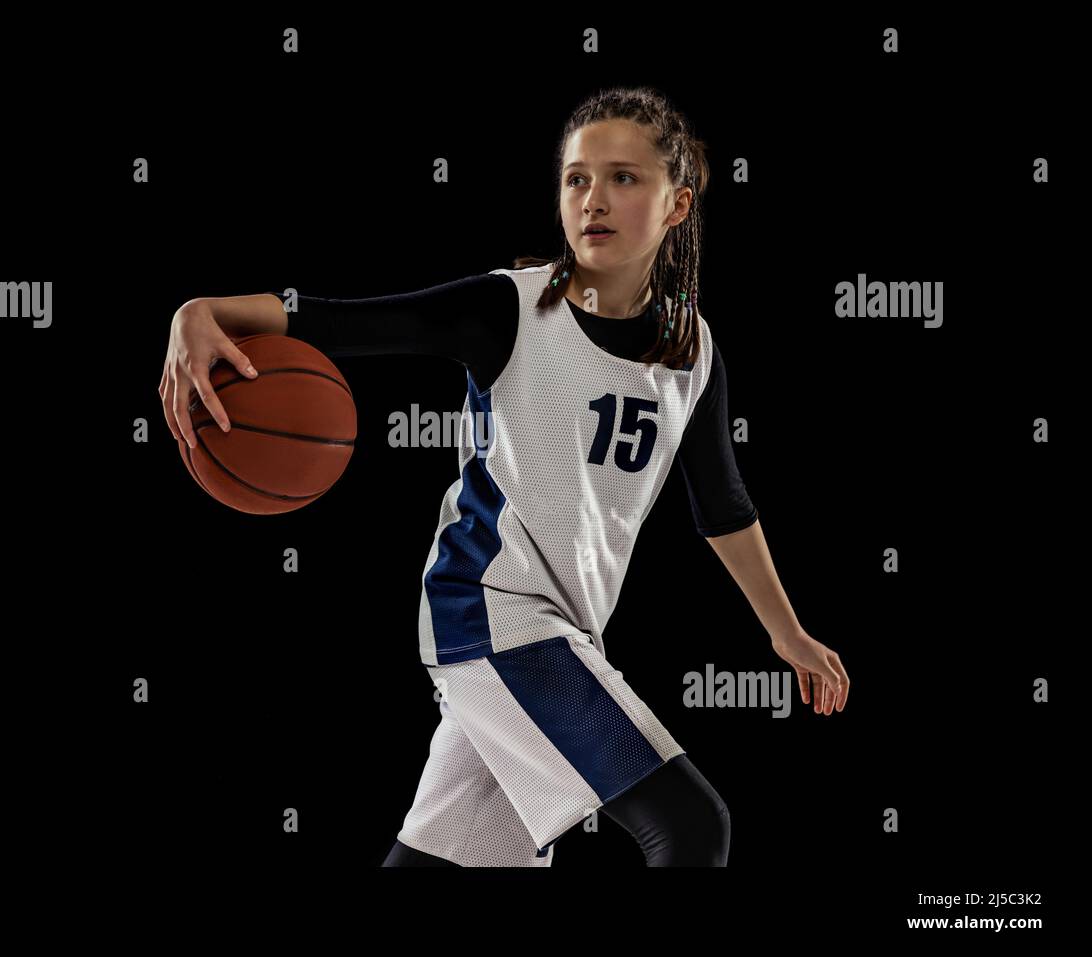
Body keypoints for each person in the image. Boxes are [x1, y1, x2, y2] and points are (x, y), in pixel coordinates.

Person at [159, 86, 850, 867]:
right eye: (576, 178)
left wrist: (786, 631)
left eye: (623, 178)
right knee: (690, 825)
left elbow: (722, 504)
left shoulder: (691, 351)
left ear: (677, 203)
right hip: (489, 614)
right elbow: (342, 318)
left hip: (560, 631)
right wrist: (200, 309)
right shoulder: (509, 309)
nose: (593, 198)